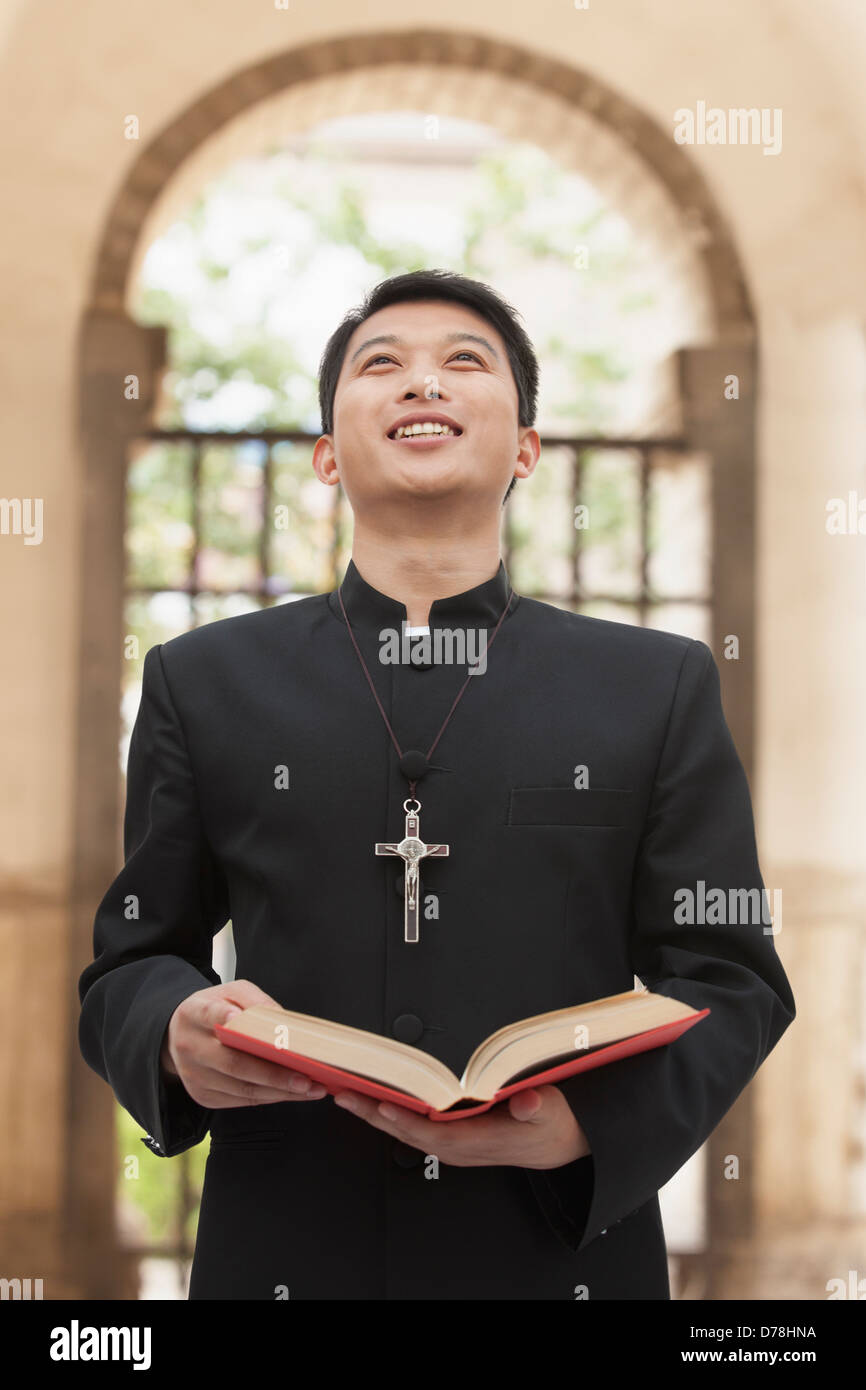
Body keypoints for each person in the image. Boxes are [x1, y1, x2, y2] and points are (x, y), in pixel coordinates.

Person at [78, 268, 795, 1300]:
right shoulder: (202, 679)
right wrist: (171, 1034)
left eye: (464, 361)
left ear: (526, 450)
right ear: (327, 456)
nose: (422, 382)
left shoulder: (653, 685)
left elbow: (732, 978)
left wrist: (590, 1124)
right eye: (382, 365)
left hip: (556, 1257)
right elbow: (132, 958)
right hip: (285, 1242)